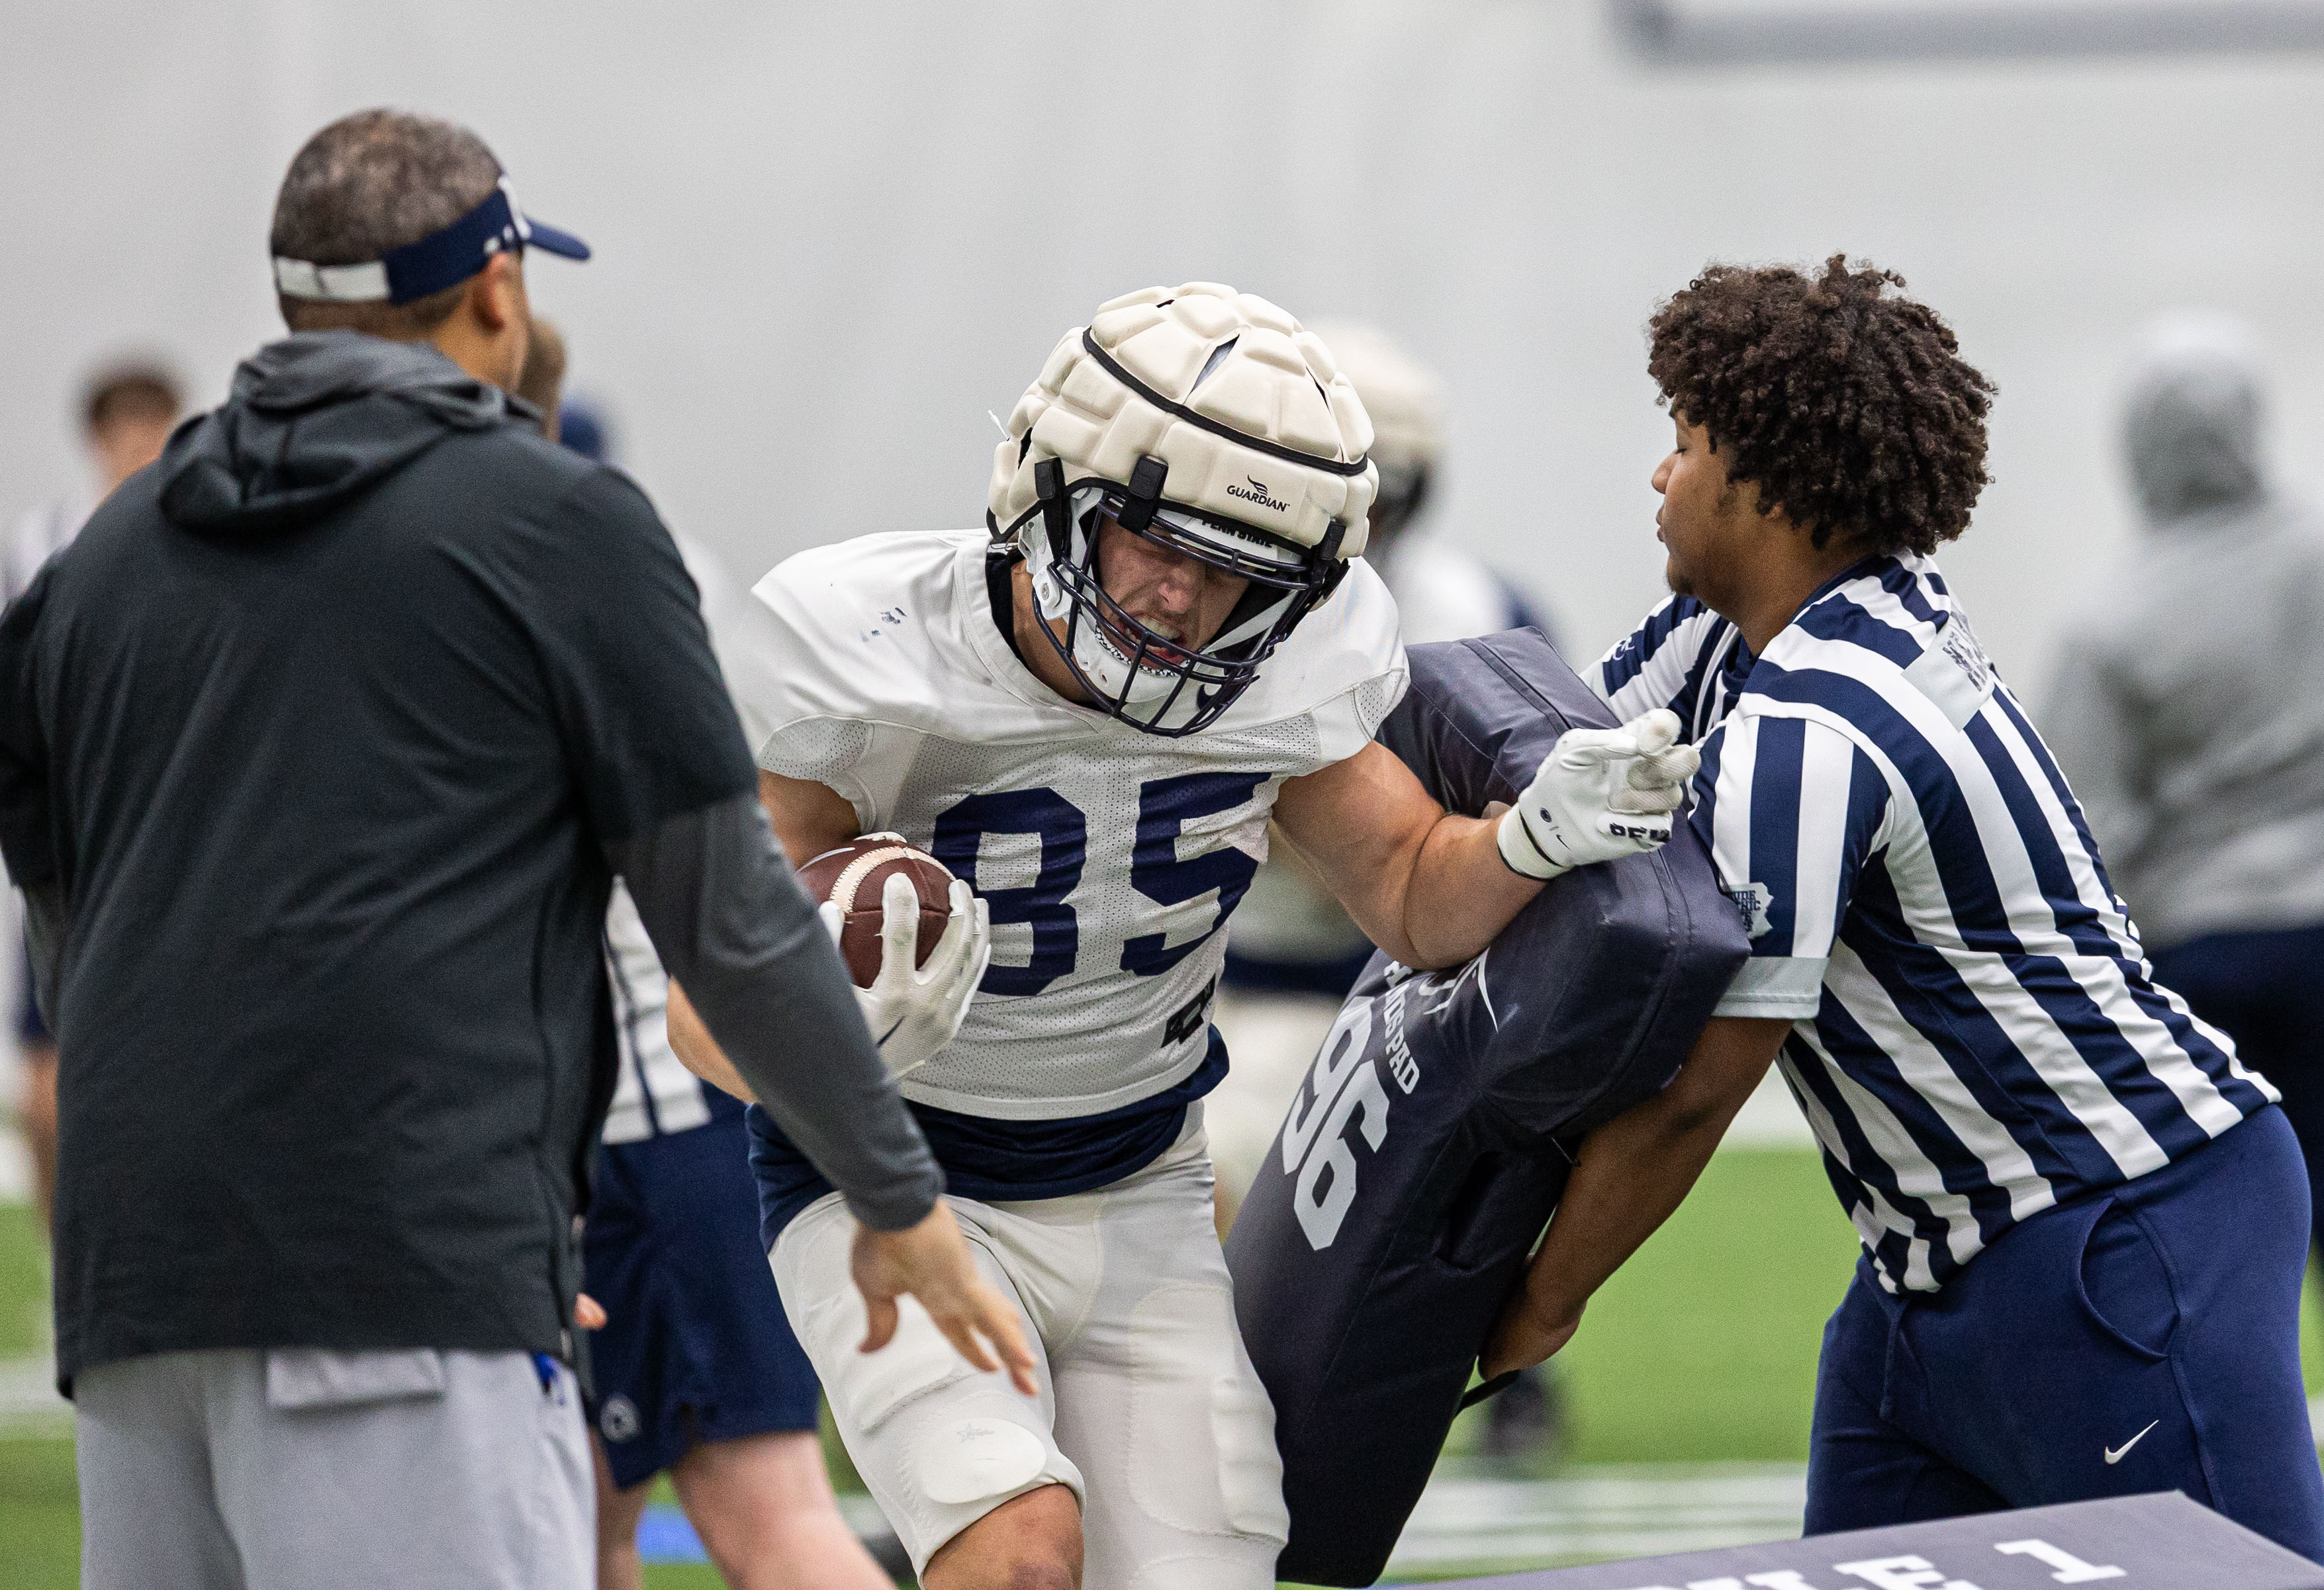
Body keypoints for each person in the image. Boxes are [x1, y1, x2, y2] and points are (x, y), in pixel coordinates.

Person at [0, 108, 1029, 1590]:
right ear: (498, 292)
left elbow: (70, 916)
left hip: (136, 1291)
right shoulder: (556, 524)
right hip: (393, 1259)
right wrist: (899, 1198)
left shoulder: (96, 557)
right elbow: (728, 914)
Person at [668, 282, 1698, 1590]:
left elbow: (1405, 890)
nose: (1181, 595)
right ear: (1047, 486)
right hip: (904, 1185)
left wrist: (1530, 840)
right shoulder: (861, 645)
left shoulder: (1291, 667)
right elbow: (699, 1007)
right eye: (1149, 537)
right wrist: (820, 1031)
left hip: (1142, 1190)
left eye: (1237, 569)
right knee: (1017, 1546)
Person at [1477, 257, 2323, 1560]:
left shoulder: (1811, 725)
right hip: (1930, 1264)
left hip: (2120, 1226)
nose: (1659, 475)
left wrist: (1538, 1300)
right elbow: (1520, 735)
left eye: (1685, 443)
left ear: (1768, 485)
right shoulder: (1738, 640)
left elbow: (1707, 1078)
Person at [518, 341, 897, 1590]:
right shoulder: (631, 565)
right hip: (605, 1116)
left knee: (765, 1514)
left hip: (651, 1112)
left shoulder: (556, 573)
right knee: (573, 1525)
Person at [2043, 313, 2324, 1272]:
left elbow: (2085, 836)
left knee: (2221, 1218)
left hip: (2203, 948)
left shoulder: (2110, 622)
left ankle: (2243, 1416)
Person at [3, 359, 183, 1237]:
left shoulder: (193, 539)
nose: (141, 446)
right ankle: (64, 1245)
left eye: (156, 428)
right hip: (72, 843)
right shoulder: (43, 546)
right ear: (98, 440)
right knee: (47, 1085)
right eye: (127, 430)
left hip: (159, 841)